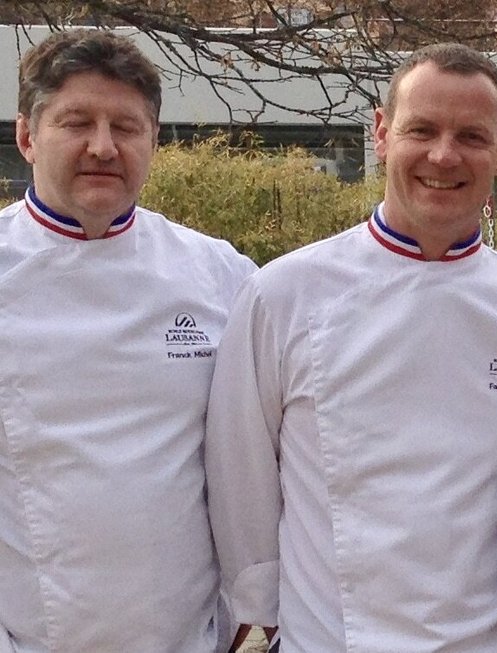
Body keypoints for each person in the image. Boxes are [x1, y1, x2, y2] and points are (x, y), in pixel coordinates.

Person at [204, 43, 497, 652]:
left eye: (471, 136)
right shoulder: (284, 293)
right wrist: (258, 606)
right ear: (381, 134)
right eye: (421, 130)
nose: (444, 156)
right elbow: (238, 472)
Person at [0, 29, 255, 653]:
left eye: (126, 126)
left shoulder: (221, 275)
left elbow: (258, 463)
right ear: (27, 136)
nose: (103, 147)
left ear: (154, 139)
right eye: (76, 123)